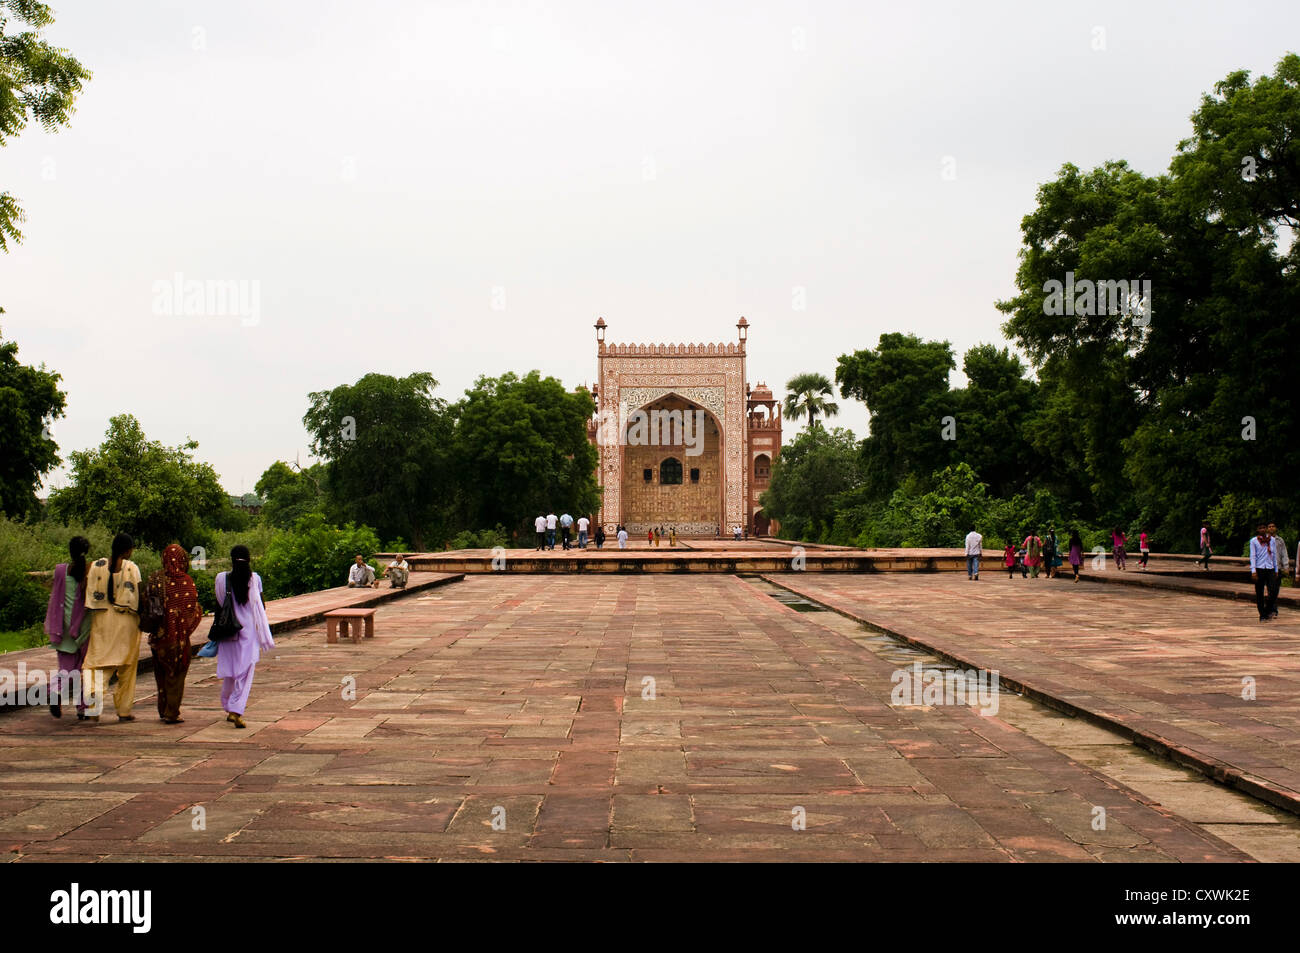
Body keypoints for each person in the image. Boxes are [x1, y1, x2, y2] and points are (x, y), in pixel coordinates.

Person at [82, 532, 144, 722]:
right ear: (127, 550)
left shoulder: (96, 566)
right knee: (127, 668)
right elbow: (139, 596)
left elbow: (87, 588)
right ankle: (124, 710)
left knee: (96, 664)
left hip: (101, 622)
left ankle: (94, 701)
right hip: (127, 623)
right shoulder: (131, 568)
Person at [216, 545, 275, 728]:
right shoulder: (254, 579)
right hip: (248, 632)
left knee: (230, 671)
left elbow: (219, 601)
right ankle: (235, 710)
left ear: (232, 559)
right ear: (249, 559)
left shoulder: (221, 578)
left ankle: (227, 704)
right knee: (244, 673)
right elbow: (261, 605)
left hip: (228, 630)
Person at [144, 543, 203, 724]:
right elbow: (193, 611)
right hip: (178, 641)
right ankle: (172, 711)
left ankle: (163, 708)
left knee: (161, 675)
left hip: (159, 639)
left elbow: (146, 605)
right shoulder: (187, 582)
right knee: (176, 676)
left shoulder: (155, 579)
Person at [43, 536, 93, 720]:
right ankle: (83, 708)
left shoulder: (60, 570)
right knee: (84, 669)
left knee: (65, 667)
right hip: (84, 628)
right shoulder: (89, 572)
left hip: (62, 627)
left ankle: (55, 690)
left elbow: (56, 597)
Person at [1249, 520, 1279, 623]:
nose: (1262, 529)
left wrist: (1276, 569)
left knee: (1274, 590)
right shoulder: (1254, 541)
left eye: (1264, 527)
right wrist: (1253, 571)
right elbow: (1252, 556)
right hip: (1259, 568)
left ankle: (1267, 609)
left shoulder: (1272, 540)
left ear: (1266, 529)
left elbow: (1274, 555)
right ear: (1257, 530)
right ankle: (1262, 614)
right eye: (1260, 528)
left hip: (1270, 568)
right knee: (1259, 592)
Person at [1267, 523, 1288, 619]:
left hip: (1278, 568)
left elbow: (1284, 553)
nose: (1271, 528)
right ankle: (1272, 610)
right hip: (1267, 568)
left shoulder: (1280, 540)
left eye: (1273, 526)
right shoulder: (1264, 540)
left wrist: (1286, 566)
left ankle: (1272, 609)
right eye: (1269, 526)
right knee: (1270, 589)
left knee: (1275, 590)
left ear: (1276, 528)